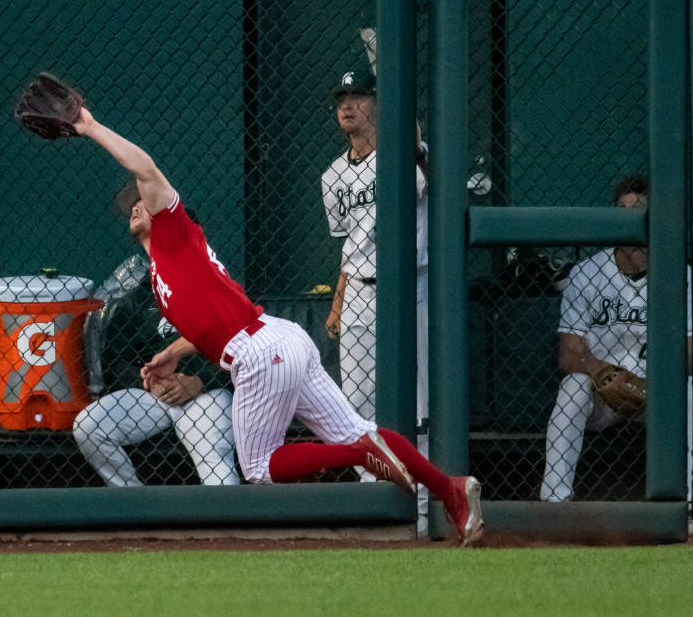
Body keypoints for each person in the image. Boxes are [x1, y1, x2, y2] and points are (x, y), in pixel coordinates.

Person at [70, 101, 483, 545]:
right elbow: (216, 321)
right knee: (363, 430)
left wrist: (90, 127)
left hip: (260, 353)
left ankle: (358, 454)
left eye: (140, 203)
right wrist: (172, 352)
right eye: (129, 207)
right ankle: (451, 490)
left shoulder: (175, 234)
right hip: (280, 338)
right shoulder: (161, 273)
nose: (135, 206)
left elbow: (146, 169)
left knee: (260, 468)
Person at [320, 66, 431, 530]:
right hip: (361, 292)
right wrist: (338, 300)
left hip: (414, 286)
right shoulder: (331, 176)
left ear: (379, 105)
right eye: (341, 98)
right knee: (359, 403)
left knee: (422, 403)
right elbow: (351, 244)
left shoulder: (402, 155)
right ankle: (374, 503)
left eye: (359, 96)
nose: (348, 105)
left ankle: (425, 506)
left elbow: (419, 153)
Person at [540, 174, 693, 501]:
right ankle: (554, 500)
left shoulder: (681, 274)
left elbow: (692, 353)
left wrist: (654, 383)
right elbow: (567, 354)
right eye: (621, 210)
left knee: (692, 393)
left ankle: (692, 504)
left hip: (658, 395)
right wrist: (600, 371)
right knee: (573, 387)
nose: (627, 218)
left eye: (637, 210)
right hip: (603, 394)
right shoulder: (586, 273)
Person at [73, 210, 239, 487]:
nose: (136, 210)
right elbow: (115, 358)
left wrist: (200, 381)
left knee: (214, 459)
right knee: (88, 426)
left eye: (147, 207)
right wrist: (150, 382)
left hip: (205, 391)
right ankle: (135, 508)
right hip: (153, 395)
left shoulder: (215, 279)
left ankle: (227, 527)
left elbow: (243, 350)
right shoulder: (140, 293)